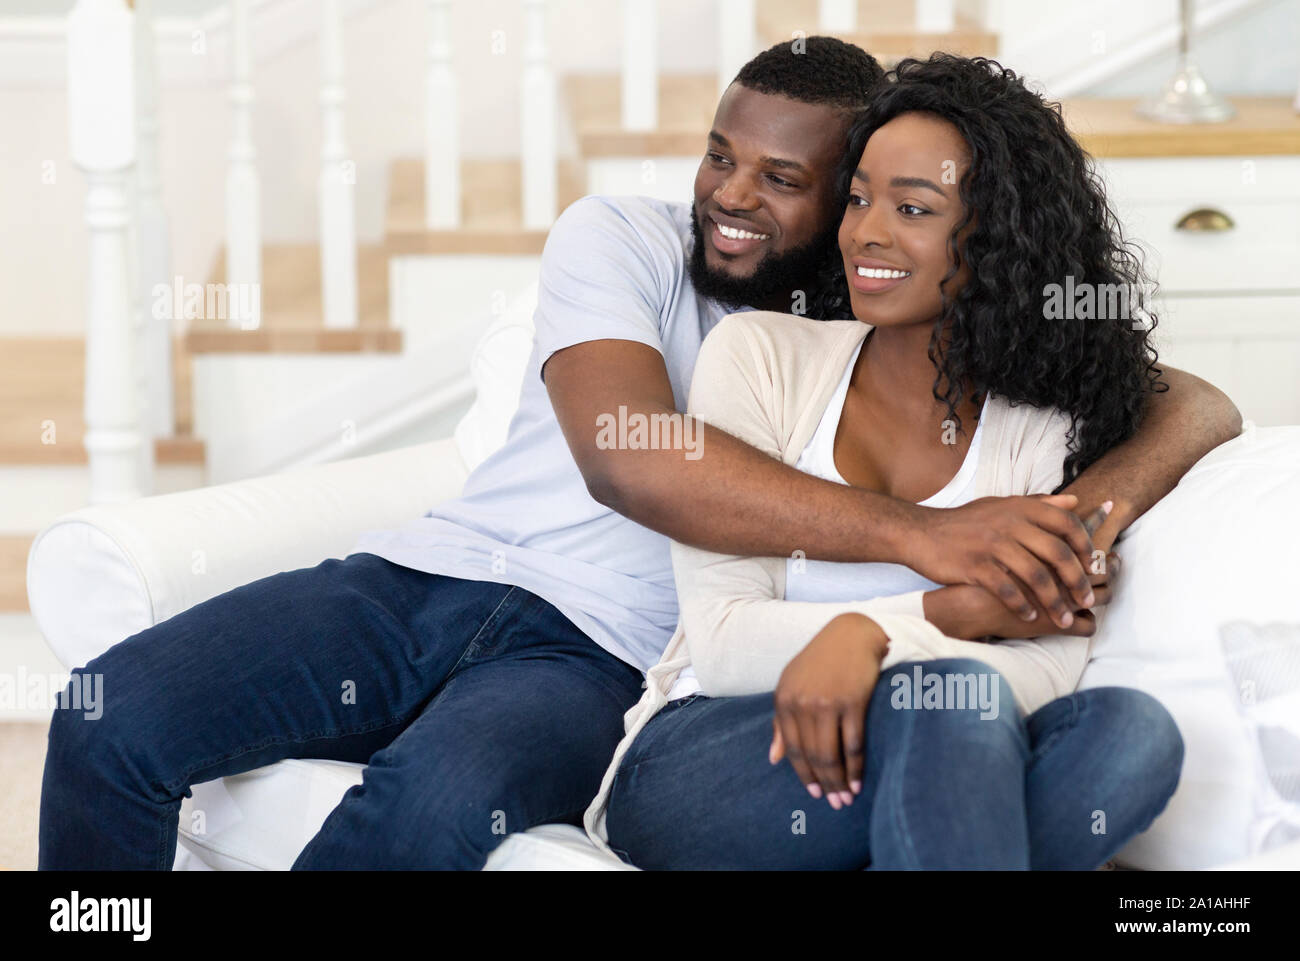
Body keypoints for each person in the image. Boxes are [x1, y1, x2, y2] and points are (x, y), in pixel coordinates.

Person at [39, 40, 1236, 871]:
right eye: (721, 156)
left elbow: (1179, 396)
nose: (729, 198)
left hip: (595, 657)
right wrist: (929, 544)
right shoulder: (624, 238)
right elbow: (628, 452)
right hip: (428, 579)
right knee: (111, 717)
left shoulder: (860, 330)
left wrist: (1084, 513)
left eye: (785, 181)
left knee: (439, 803)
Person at [588, 53, 1191, 870]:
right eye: (860, 196)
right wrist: (941, 616)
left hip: (942, 745)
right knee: (957, 702)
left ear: (1000, 235)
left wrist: (872, 635)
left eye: (913, 207)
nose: (865, 231)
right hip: (713, 752)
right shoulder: (761, 356)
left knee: (1130, 731)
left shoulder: (1047, 421)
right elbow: (725, 644)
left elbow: (1054, 653)